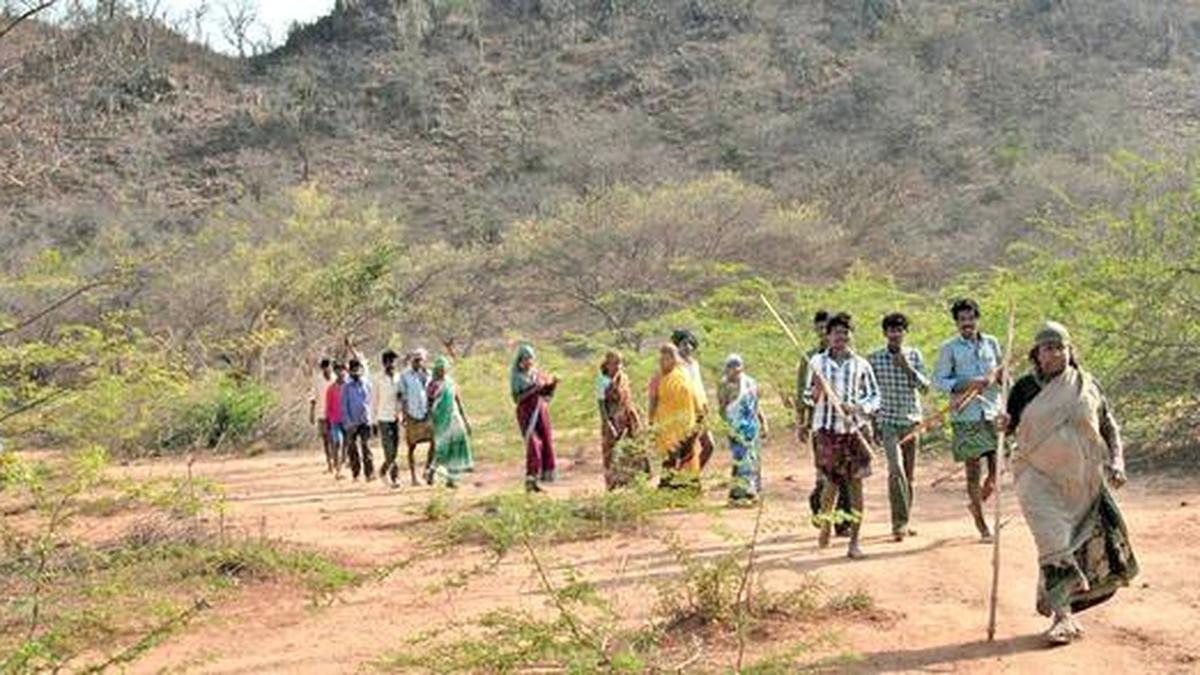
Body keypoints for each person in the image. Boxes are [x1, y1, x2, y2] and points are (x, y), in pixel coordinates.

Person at [997, 322, 1137, 645]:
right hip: (1036, 479)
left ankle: (1068, 609)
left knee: (1081, 545)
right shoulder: (1024, 389)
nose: (1055, 354)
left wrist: (1117, 461)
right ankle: (1062, 617)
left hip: (1082, 480)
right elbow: (1008, 426)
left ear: (1070, 351)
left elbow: (1109, 427)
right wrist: (1001, 424)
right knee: (1052, 540)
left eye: (1061, 347)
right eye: (1048, 348)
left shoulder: (1086, 386)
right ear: (1036, 354)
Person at [802, 312, 881, 559]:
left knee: (856, 485)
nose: (841, 337)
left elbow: (874, 396)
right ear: (828, 336)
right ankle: (826, 523)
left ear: (850, 336)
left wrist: (856, 408)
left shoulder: (861, 364)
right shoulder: (817, 363)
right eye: (836, 333)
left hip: (854, 431)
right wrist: (817, 391)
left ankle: (854, 542)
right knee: (830, 483)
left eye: (845, 333)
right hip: (827, 431)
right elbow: (807, 396)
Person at [934, 298, 1004, 542]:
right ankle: (981, 524)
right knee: (973, 471)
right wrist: (969, 383)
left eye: (971, 318)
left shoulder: (992, 343)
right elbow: (940, 381)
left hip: (993, 411)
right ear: (956, 322)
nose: (967, 323)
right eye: (962, 319)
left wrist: (997, 378)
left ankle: (978, 502)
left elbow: (1001, 372)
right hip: (966, 415)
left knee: (997, 469)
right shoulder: (949, 348)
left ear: (977, 319)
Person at [868, 312, 930, 541]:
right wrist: (873, 422)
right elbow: (869, 392)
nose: (895, 334)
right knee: (896, 471)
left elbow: (925, 387)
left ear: (905, 332)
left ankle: (906, 520)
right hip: (888, 422)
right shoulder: (874, 359)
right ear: (885, 333)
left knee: (909, 476)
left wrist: (907, 367)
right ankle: (899, 524)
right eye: (891, 330)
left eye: (899, 330)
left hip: (911, 421)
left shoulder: (914, 355)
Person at [798, 310, 852, 536]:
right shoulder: (810, 358)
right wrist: (802, 422)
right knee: (824, 473)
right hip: (820, 424)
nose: (822, 332)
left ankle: (843, 522)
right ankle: (818, 505)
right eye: (819, 328)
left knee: (847, 474)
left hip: (846, 425)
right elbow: (802, 392)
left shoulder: (849, 357)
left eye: (825, 328)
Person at [651, 343, 703, 492]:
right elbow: (653, 401)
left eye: (668, 358)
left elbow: (694, 394)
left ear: (674, 358)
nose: (664, 361)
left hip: (687, 423)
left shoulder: (684, 374)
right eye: (662, 358)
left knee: (688, 457)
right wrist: (651, 422)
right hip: (667, 426)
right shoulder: (658, 378)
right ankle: (667, 492)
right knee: (670, 459)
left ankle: (688, 490)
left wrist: (700, 414)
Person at [718, 354, 768, 505]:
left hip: (751, 427)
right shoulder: (725, 385)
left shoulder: (750, 383)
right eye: (731, 367)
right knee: (740, 459)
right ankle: (739, 494)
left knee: (753, 459)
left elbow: (756, 405)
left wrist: (763, 422)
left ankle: (751, 492)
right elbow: (722, 408)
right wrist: (727, 426)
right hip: (736, 429)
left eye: (737, 366)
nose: (734, 370)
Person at [510, 344, 558, 493]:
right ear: (520, 361)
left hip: (541, 412)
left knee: (546, 443)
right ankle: (530, 480)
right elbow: (517, 399)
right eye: (525, 359)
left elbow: (546, 395)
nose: (528, 362)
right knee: (534, 445)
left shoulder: (537, 374)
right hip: (527, 414)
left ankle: (538, 480)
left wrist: (553, 384)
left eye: (530, 359)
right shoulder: (517, 377)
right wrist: (534, 389)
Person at [596, 350, 644, 490]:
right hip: (611, 419)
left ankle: (629, 482)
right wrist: (608, 423)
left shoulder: (623, 378)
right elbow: (601, 404)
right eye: (614, 363)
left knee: (630, 449)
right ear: (607, 364)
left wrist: (635, 417)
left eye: (620, 363)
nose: (618, 366)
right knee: (611, 453)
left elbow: (628, 399)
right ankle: (612, 485)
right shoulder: (602, 381)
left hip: (627, 419)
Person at [426, 356, 475, 488]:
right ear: (436, 370)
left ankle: (451, 479)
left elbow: (457, 400)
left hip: (454, 416)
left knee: (457, 445)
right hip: (441, 420)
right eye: (440, 369)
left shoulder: (450, 382)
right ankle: (432, 470)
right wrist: (430, 421)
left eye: (444, 369)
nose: (442, 372)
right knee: (442, 447)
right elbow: (429, 404)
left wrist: (465, 419)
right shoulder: (432, 385)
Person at [671, 329, 716, 470]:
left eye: (690, 344)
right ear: (678, 346)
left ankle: (691, 476)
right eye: (684, 344)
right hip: (683, 412)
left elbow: (698, 385)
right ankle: (681, 478)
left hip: (700, 410)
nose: (688, 347)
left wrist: (705, 404)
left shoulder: (694, 364)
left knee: (709, 445)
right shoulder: (674, 366)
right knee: (684, 450)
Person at [399, 349, 434, 486]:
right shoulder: (405, 376)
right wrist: (404, 415)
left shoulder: (428, 374)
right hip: (412, 415)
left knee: (434, 442)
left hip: (426, 413)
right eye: (416, 360)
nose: (418, 362)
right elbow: (403, 397)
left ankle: (428, 470)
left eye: (420, 360)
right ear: (411, 361)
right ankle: (413, 477)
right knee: (411, 447)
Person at [340, 358, 375, 481]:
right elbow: (344, 406)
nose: (356, 372)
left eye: (357, 369)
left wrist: (371, 419)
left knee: (366, 446)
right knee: (352, 448)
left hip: (365, 421)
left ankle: (369, 473)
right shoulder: (346, 387)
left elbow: (370, 401)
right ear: (350, 371)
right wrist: (349, 423)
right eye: (353, 370)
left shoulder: (366, 384)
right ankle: (356, 473)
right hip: (351, 423)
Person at [373, 350, 402, 487]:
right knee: (389, 450)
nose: (392, 364)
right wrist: (373, 422)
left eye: (394, 361)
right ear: (384, 363)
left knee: (395, 451)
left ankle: (383, 470)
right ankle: (394, 478)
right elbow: (373, 401)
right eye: (390, 361)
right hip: (383, 418)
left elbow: (401, 398)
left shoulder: (398, 378)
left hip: (395, 417)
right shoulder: (378, 378)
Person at [310, 358, 335, 473]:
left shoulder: (335, 379)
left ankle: (336, 461)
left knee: (334, 439)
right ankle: (329, 464)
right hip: (322, 413)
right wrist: (312, 413)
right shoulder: (318, 380)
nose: (327, 369)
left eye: (328, 366)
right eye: (324, 367)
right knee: (326, 440)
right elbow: (313, 397)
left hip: (334, 413)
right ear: (322, 368)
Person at [324, 361, 348, 479]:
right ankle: (338, 469)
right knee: (337, 442)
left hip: (347, 420)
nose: (340, 372)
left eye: (342, 370)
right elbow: (328, 406)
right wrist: (327, 420)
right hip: (335, 421)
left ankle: (342, 463)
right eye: (338, 370)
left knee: (346, 445)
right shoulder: (331, 388)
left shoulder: (349, 387)